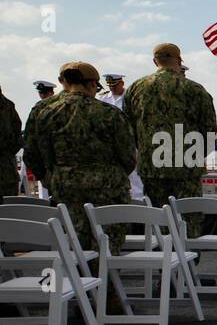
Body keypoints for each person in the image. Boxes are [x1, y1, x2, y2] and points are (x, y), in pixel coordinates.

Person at [21, 62, 133, 254]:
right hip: (108, 191)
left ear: (64, 82)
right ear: (92, 85)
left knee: (73, 249)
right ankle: (105, 283)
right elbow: (128, 156)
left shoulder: (45, 112)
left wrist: (51, 178)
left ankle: (77, 283)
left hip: (66, 190)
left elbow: (31, 154)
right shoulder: (109, 113)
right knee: (107, 249)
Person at [123, 42, 217, 235]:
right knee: (188, 218)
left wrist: (145, 151)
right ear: (179, 60)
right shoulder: (195, 89)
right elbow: (209, 131)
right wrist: (196, 156)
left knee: (159, 218)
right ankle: (187, 260)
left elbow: (128, 128)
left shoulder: (135, 89)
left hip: (152, 167)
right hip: (187, 167)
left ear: (154, 61)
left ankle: (163, 261)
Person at [96, 74, 144, 200]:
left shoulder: (131, 97)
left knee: (134, 172)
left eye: (115, 85)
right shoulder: (103, 98)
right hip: (110, 142)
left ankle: (138, 198)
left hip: (130, 140)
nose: (112, 88)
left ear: (121, 83)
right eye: (110, 86)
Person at [0, 86, 21, 198]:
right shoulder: (9, 106)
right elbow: (18, 139)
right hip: (7, 170)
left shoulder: (8, 106)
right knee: (9, 211)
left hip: (7, 168)